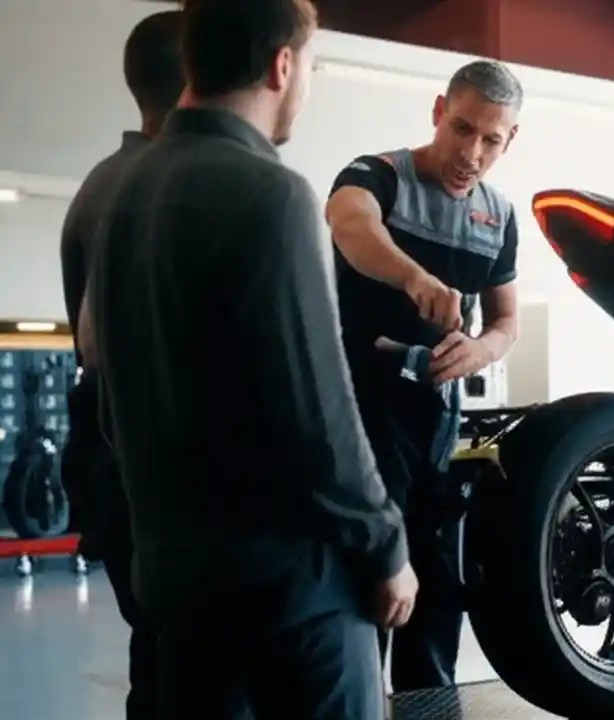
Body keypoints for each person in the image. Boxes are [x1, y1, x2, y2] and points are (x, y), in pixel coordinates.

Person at [79, 1, 415, 717]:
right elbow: (320, 413)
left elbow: (113, 404)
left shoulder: (121, 195)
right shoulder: (273, 193)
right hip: (297, 608)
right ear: (282, 65)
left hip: (181, 600)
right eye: (312, 66)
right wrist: (385, 544)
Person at [324, 59, 522, 690]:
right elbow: (349, 224)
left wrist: (483, 350)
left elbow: (507, 321)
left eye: (491, 139)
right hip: (358, 420)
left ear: (510, 139)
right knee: (363, 601)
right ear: (438, 111)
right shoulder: (376, 175)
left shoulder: (499, 217)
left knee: (435, 603)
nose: (472, 152)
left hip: (437, 426)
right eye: (461, 129)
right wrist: (412, 275)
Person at [58, 11, 185, 720]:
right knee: (183, 659)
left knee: (159, 652)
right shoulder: (160, 185)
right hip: (149, 461)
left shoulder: (101, 181)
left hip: (114, 457)